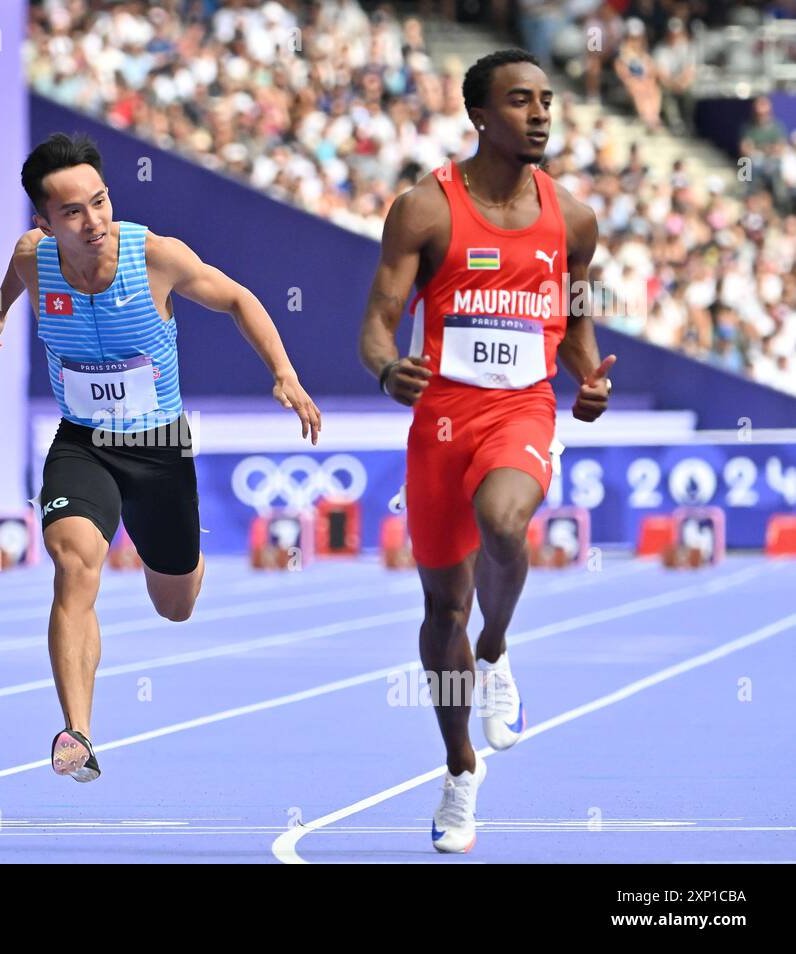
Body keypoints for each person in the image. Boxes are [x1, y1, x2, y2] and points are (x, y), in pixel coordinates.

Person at [0, 132, 321, 783]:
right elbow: (8, 289)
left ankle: (185, 562)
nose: (93, 221)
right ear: (45, 222)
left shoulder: (154, 256)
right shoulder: (33, 258)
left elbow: (239, 298)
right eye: (73, 212)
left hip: (158, 448)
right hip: (83, 442)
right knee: (74, 564)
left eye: (99, 202)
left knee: (176, 605)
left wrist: (284, 373)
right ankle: (77, 732)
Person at [359, 50, 615, 853]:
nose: (540, 113)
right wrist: (384, 367)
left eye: (546, 100)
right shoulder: (423, 210)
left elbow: (575, 320)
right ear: (479, 115)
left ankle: (498, 653)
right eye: (519, 100)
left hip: (522, 412)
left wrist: (588, 379)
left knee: (505, 522)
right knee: (442, 613)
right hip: (439, 422)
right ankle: (459, 770)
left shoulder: (574, 219)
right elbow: (376, 321)